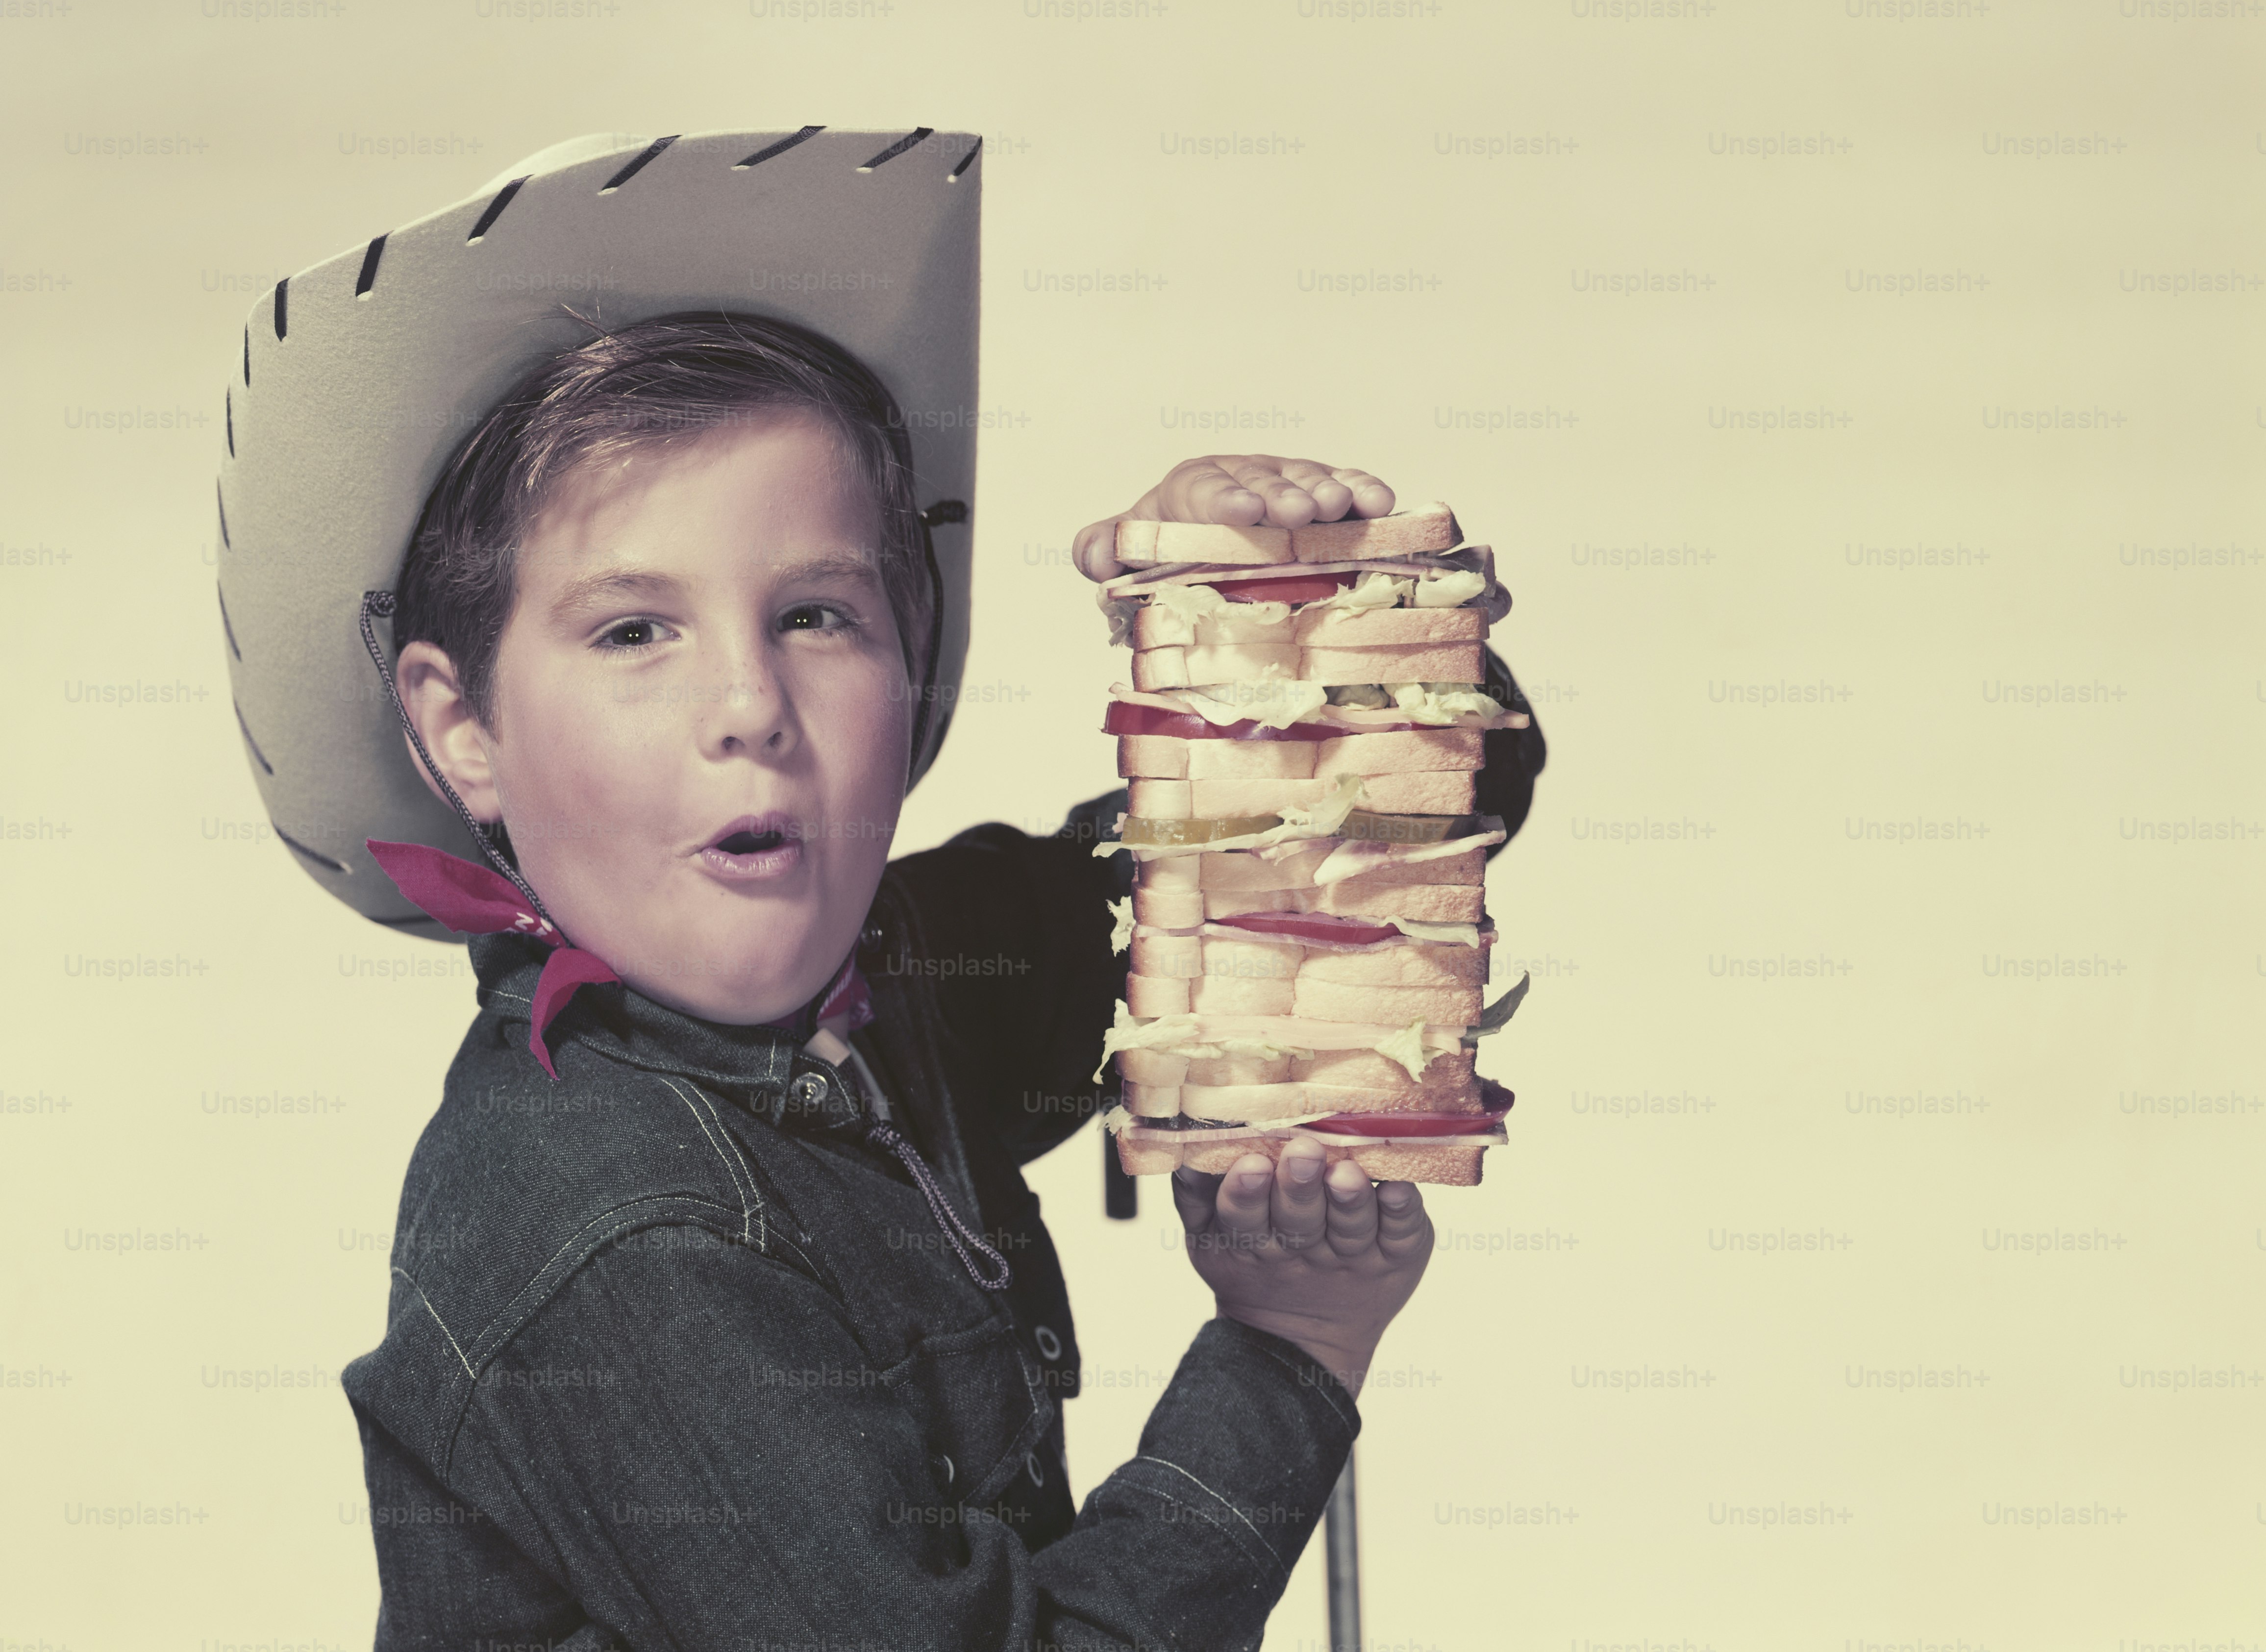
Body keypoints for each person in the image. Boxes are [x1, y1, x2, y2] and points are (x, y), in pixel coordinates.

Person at [218, 133, 1543, 1649]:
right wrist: (1287, 1351)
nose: (748, 703)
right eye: (633, 632)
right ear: (465, 732)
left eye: (816, 615)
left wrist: (1265, 633)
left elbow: (1319, 849)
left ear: (909, 662)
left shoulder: (908, 975)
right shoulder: (616, 1238)